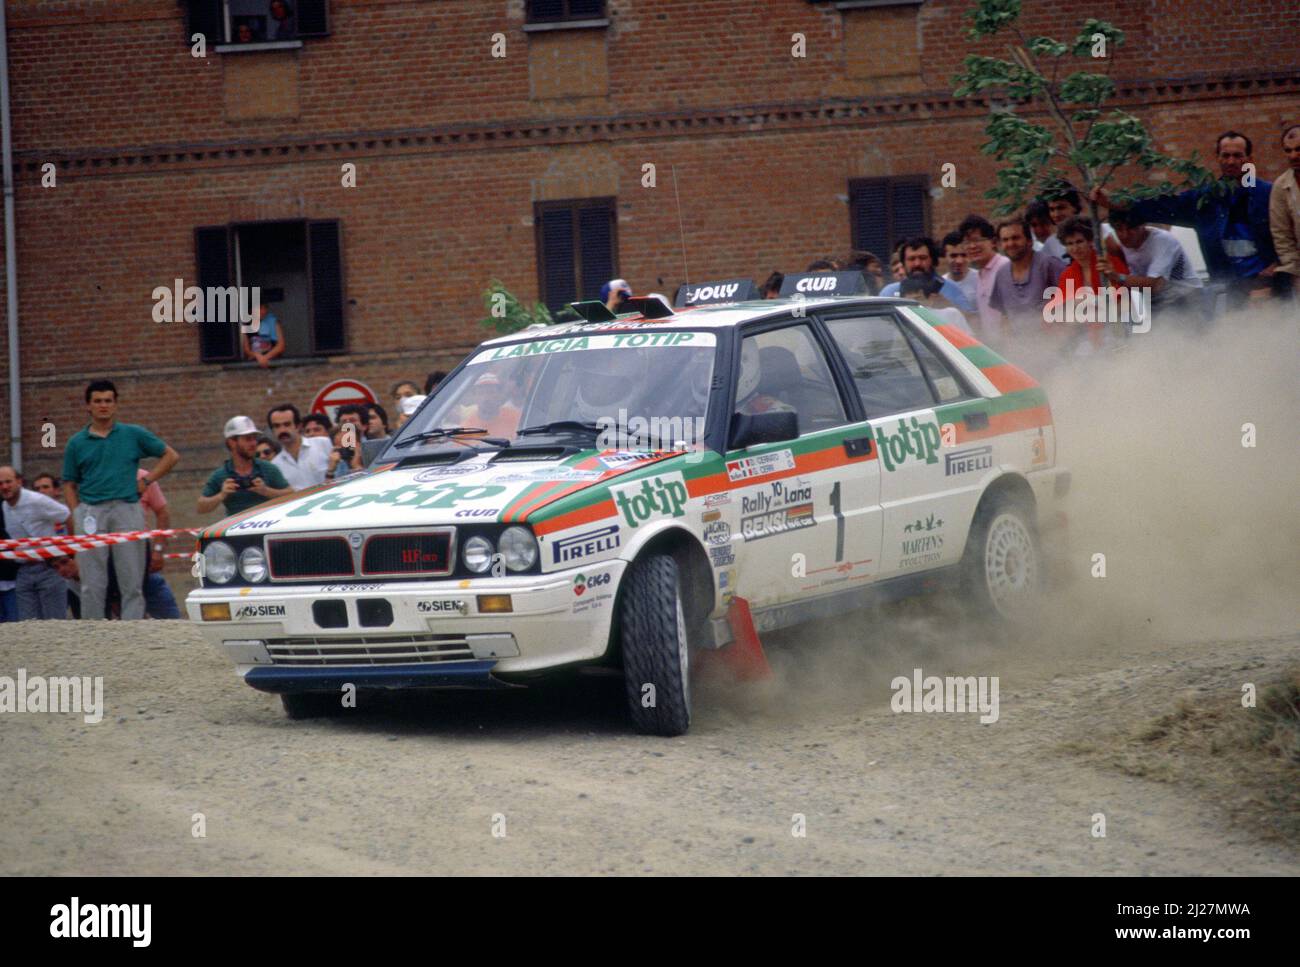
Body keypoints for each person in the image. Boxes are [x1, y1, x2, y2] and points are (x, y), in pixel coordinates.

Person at [1092, 131, 1279, 307]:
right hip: (1228, 289)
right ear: (1217, 158)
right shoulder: (1204, 199)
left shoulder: (1269, 194)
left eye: (1238, 156)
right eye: (1225, 155)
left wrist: (1276, 268)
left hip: (1267, 285)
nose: (1231, 161)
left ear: (1250, 159)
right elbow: (1161, 206)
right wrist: (1115, 202)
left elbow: (1290, 234)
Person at [62, 379, 179, 620]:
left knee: (131, 578)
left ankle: (131, 631)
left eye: (108, 401)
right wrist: (77, 514)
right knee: (91, 581)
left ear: (115, 405)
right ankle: (93, 632)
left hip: (127, 509)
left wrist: (147, 481)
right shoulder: (76, 442)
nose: (103, 406)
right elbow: (68, 483)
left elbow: (170, 456)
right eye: (98, 401)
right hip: (91, 510)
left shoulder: (133, 434)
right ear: (88, 406)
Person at [1044, 216, 1130, 351]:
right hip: (1085, 335)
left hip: (1118, 327)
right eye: (1070, 244)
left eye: (1079, 241)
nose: (1075, 248)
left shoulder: (1109, 263)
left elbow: (1127, 302)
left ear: (1090, 241)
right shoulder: (1067, 275)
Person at [1105, 209, 1203, 321]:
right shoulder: (1126, 244)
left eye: (1131, 228)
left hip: (1186, 297)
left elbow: (1155, 285)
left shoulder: (1163, 241)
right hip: (1156, 300)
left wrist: (1118, 277)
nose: (1125, 235)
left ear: (1143, 226)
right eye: (1119, 229)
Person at [0, 466, 71, 620]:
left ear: (19, 481)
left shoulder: (36, 500)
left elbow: (67, 515)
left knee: (55, 625)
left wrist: (71, 555)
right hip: (23, 571)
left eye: (8, 482)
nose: (4, 487)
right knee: (28, 629)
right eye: (0, 483)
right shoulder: (5, 506)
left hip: (48, 568)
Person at [986, 216, 1066, 337]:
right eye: (1005, 240)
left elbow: (1075, 306)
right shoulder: (1001, 274)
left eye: (1016, 238)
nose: (1010, 243)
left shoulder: (1049, 266)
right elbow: (1005, 317)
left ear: (1029, 241)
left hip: (1056, 347)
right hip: (1021, 351)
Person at [198, 416, 293, 517]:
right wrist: (222, 495)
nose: (254, 443)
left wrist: (266, 491)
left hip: (267, 525)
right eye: (247, 439)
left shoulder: (268, 468)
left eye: (254, 438)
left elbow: (292, 495)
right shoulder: (221, 475)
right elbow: (201, 507)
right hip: (236, 529)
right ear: (232, 442)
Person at [879, 237, 975, 311]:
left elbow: (973, 323)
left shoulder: (951, 290)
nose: (917, 264)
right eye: (911, 259)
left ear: (932, 261)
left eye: (923, 258)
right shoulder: (889, 293)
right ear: (903, 263)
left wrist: (948, 306)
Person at [135, 468, 180, 619]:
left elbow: (162, 511)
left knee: (169, 615)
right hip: (110, 559)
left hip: (142, 558)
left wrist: (158, 550)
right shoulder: (97, 476)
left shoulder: (143, 477)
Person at [958, 214, 1010, 336]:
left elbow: (1012, 312)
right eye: (967, 242)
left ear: (993, 242)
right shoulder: (980, 274)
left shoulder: (1004, 267)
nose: (972, 246)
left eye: (977, 240)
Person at [267, 403, 330, 489]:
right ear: (272, 430)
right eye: (277, 426)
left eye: (287, 424)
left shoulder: (323, 444)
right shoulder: (275, 465)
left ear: (298, 426)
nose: (282, 430)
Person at [1269, 123, 1300, 297]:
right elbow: (1282, 235)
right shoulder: (1281, 186)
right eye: (1288, 151)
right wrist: (1294, 272)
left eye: (1298, 149)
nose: (1293, 155)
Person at [899, 276, 972, 333]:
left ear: (930, 298)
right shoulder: (899, 322)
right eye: (908, 301)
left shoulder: (951, 314)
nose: (913, 304)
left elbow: (971, 342)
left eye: (918, 299)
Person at [940, 230, 978, 309]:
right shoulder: (940, 284)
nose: (959, 261)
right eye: (953, 256)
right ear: (945, 257)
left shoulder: (981, 280)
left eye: (964, 255)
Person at [241, 302, 285, 368]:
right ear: (251, 310)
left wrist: (265, 357)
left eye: (265, 308)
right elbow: (247, 350)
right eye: (259, 308)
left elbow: (281, 346)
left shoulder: (273, 322)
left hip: (274, 363)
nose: (263, 311)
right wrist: (257, 356)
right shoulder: (246, 325)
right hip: (255, 365)